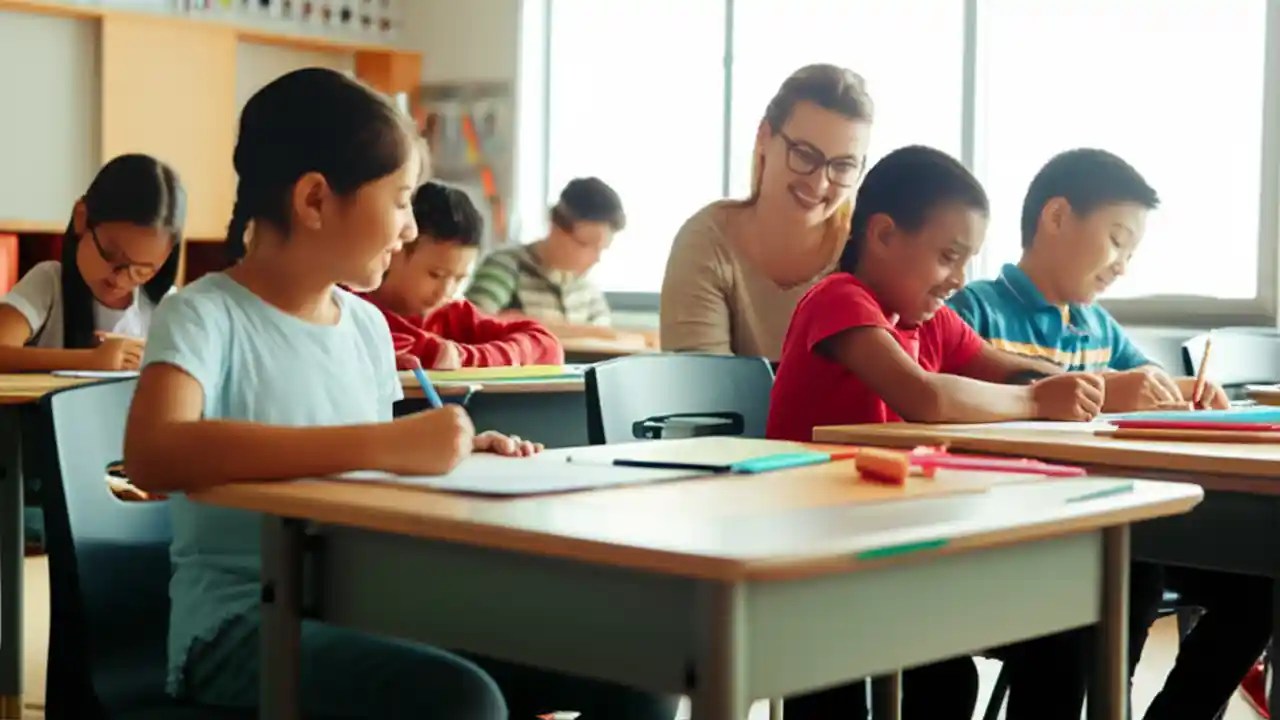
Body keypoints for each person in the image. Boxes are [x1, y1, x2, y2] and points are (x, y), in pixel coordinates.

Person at [123, 67, 677, 720]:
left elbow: (372, 479)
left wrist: (463, 456)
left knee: (641, 665)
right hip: (238, 625)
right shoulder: (205, 313)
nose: (411, 228)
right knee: (461, 702)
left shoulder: (362, 326)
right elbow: (155, 453)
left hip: (370, 601)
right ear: (315, 200)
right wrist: (385, 443)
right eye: (401, 199)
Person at [766, 145, 1106, 720]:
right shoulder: (838, 300)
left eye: (967, 260)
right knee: (927, 682)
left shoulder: (928, 318)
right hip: (815, 570)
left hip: (899, 556)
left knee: (1064, 634)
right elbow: (923, 395)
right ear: (882, 235)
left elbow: (1007, 368)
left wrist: (1096, 387)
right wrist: (1033, 399)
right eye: (948, 256)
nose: (958, 279)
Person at [950, 148, 1265, 720]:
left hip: (1108, 528)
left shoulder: (1097, 325)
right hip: (1018, 537)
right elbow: (956, 413)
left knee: (1259, 581)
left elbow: (1148, 385)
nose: (1123, 264)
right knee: (1129, 566)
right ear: (1056, 217)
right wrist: (1099, 387)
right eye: (1117, 239)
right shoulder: (976, 312)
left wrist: (1187, 393)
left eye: (1132, 250)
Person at [660, 63, 872, 361]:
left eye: (843, 166)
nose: (819, 182)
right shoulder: (708, 243)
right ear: (764, 137)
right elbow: (703, 396)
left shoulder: (867, 254)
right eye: (804, 154)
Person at [0, 153, 185, 372]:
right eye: (111, 255)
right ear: (81, 218)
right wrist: (91, 360)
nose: (121, 278)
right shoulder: (49, 283)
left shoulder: (168, 307)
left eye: (142, 271)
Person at [361, 181, 564, 369]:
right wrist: (438, 353)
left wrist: (463, 357)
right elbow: (400, 348)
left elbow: (547, 345)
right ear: (395, 249)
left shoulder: (452, 314)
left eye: (459, 279)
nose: (445, 292)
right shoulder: (351, 311)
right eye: (435, 274)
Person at [466, 177, 646, 346]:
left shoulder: (586, 289)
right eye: (586, 245)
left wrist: (522, 322)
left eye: (601, 249)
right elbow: (470, 323)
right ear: (556, 226)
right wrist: (591, 333)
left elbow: (604, 338)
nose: (596, 258)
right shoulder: (506, 265)